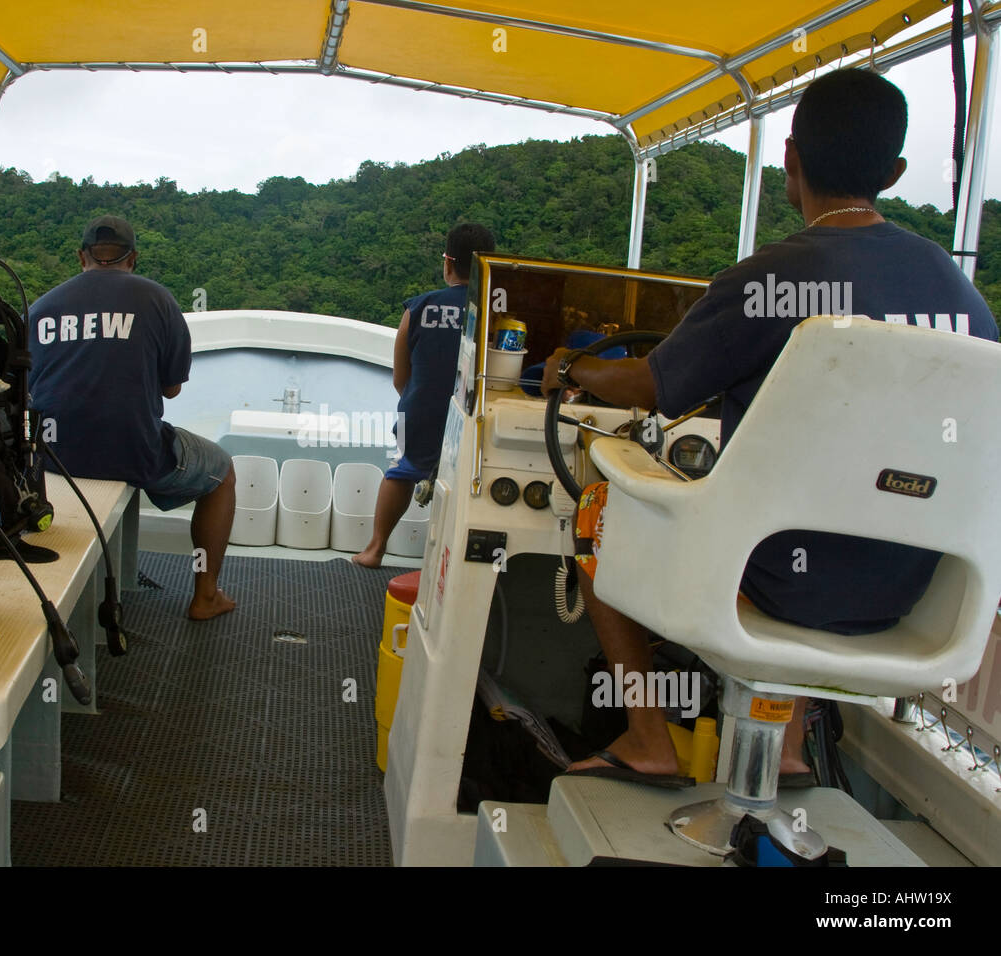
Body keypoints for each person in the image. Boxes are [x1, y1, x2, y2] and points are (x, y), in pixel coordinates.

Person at [540, 68, 998, 786]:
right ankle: (783, 753)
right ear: (895, 172)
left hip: (779, 580)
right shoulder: (963, 298)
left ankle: (647, 738)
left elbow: (655, 388)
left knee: (601, 507)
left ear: (790, 159)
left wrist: (578, 369)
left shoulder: (775, 277)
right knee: (824, 525)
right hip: (906, 596)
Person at [29, 215, 237, 621]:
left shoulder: (41, 307)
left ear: (80, 257)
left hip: (52, 455)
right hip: (131, 450)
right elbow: (171, 388)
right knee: (222, 473)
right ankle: (205, 595)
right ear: (133, 258)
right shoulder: (157, 299)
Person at [354, 223, 495, 568]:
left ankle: (375, 549)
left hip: (418, 414)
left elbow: (400, 379)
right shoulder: (498, 312)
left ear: (447, 263)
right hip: (476, 418)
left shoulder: (419, 307)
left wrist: (419, 401)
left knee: (400, 471)